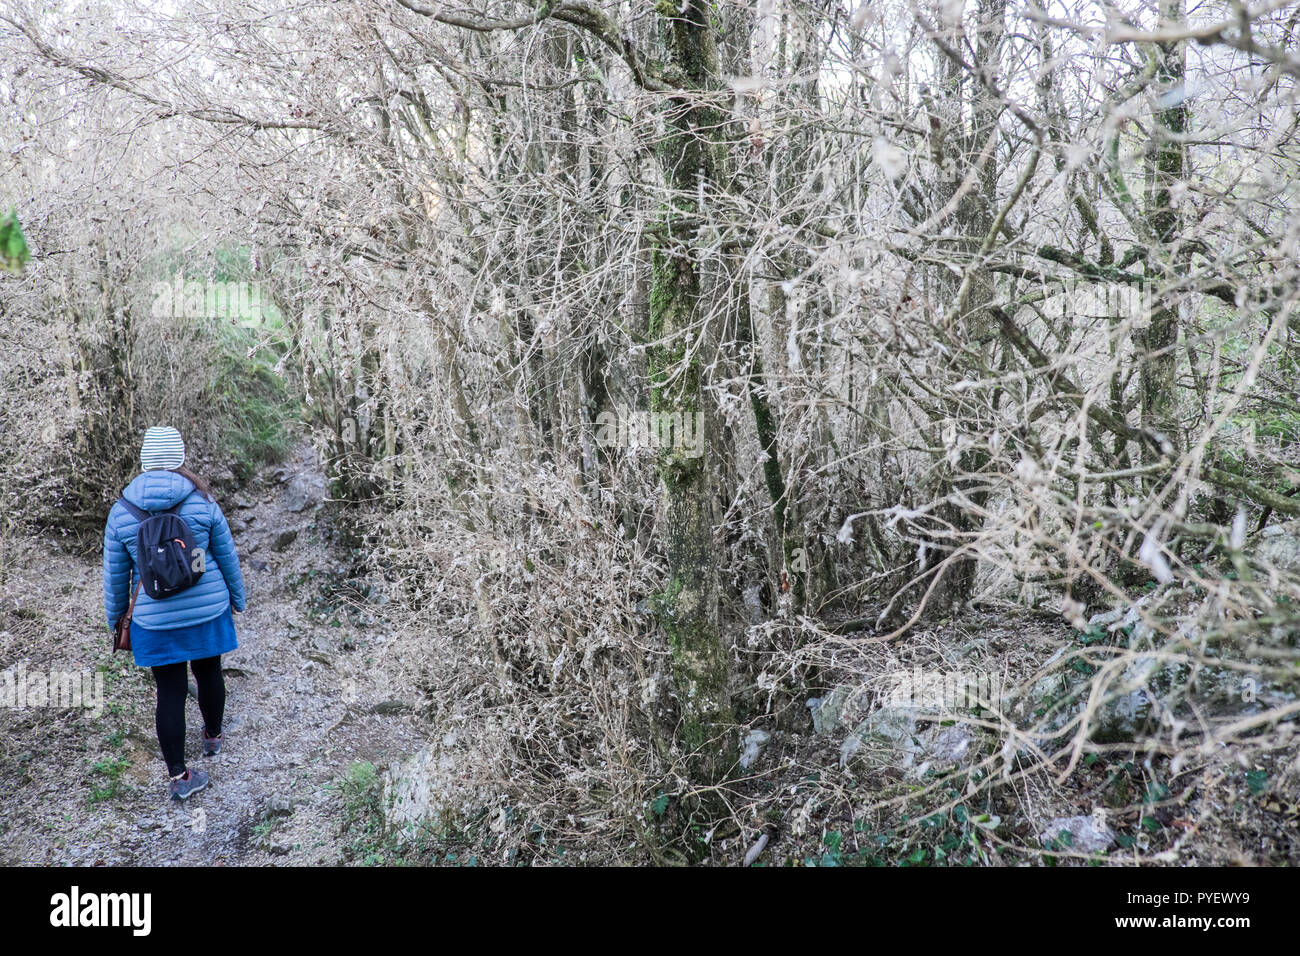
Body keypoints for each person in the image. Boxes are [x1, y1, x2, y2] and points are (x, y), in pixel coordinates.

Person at [103, 426, 247, 800]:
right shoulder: (201, 501)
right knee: (209, 671)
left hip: (155, 618)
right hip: (207, 607)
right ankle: (212, 737)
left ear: (145, 460)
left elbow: (117, 577)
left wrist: (116, 618)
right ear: (180, 458)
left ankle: (180, 778)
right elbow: (224, 555)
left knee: (169, 691)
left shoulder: (122, 512)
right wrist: (237, 597)